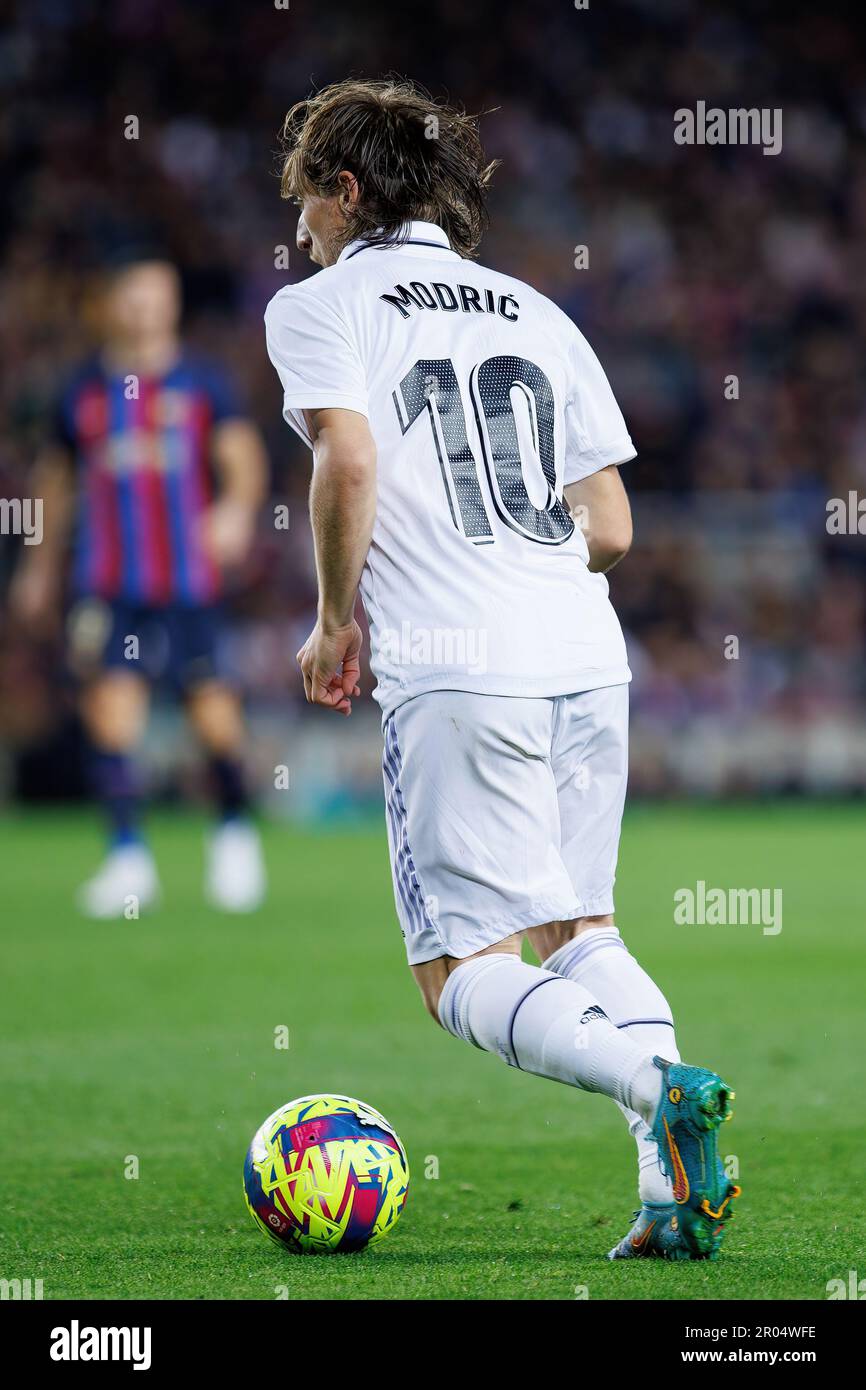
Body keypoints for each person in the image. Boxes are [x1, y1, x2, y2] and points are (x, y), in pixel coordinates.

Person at [264, 78, 740, 1260]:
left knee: (456, 968)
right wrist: (519, 562)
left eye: (306, 205)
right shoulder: (536, 312)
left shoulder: (323, 305)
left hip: (456, 661)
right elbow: (614, 527)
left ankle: (651, 1083)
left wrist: (334, 617)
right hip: (583, 651)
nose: (299, 231)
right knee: (582, 927)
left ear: (346, 188)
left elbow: (349, 458)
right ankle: (670, 1192)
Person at [14, 254, 268, 917]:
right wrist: (39, 567)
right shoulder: (81, 391)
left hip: (187, 579)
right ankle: (129, 858)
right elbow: (57, 482)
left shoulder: (204, 383)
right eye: (134, 296)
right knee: (110, 709)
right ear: (111, 303)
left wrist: (237, 511)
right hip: (108, 581)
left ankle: (234, 837)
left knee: (212, 713)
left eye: (159, 296)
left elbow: (241, 458)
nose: (146, 308)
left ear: (173, 304)